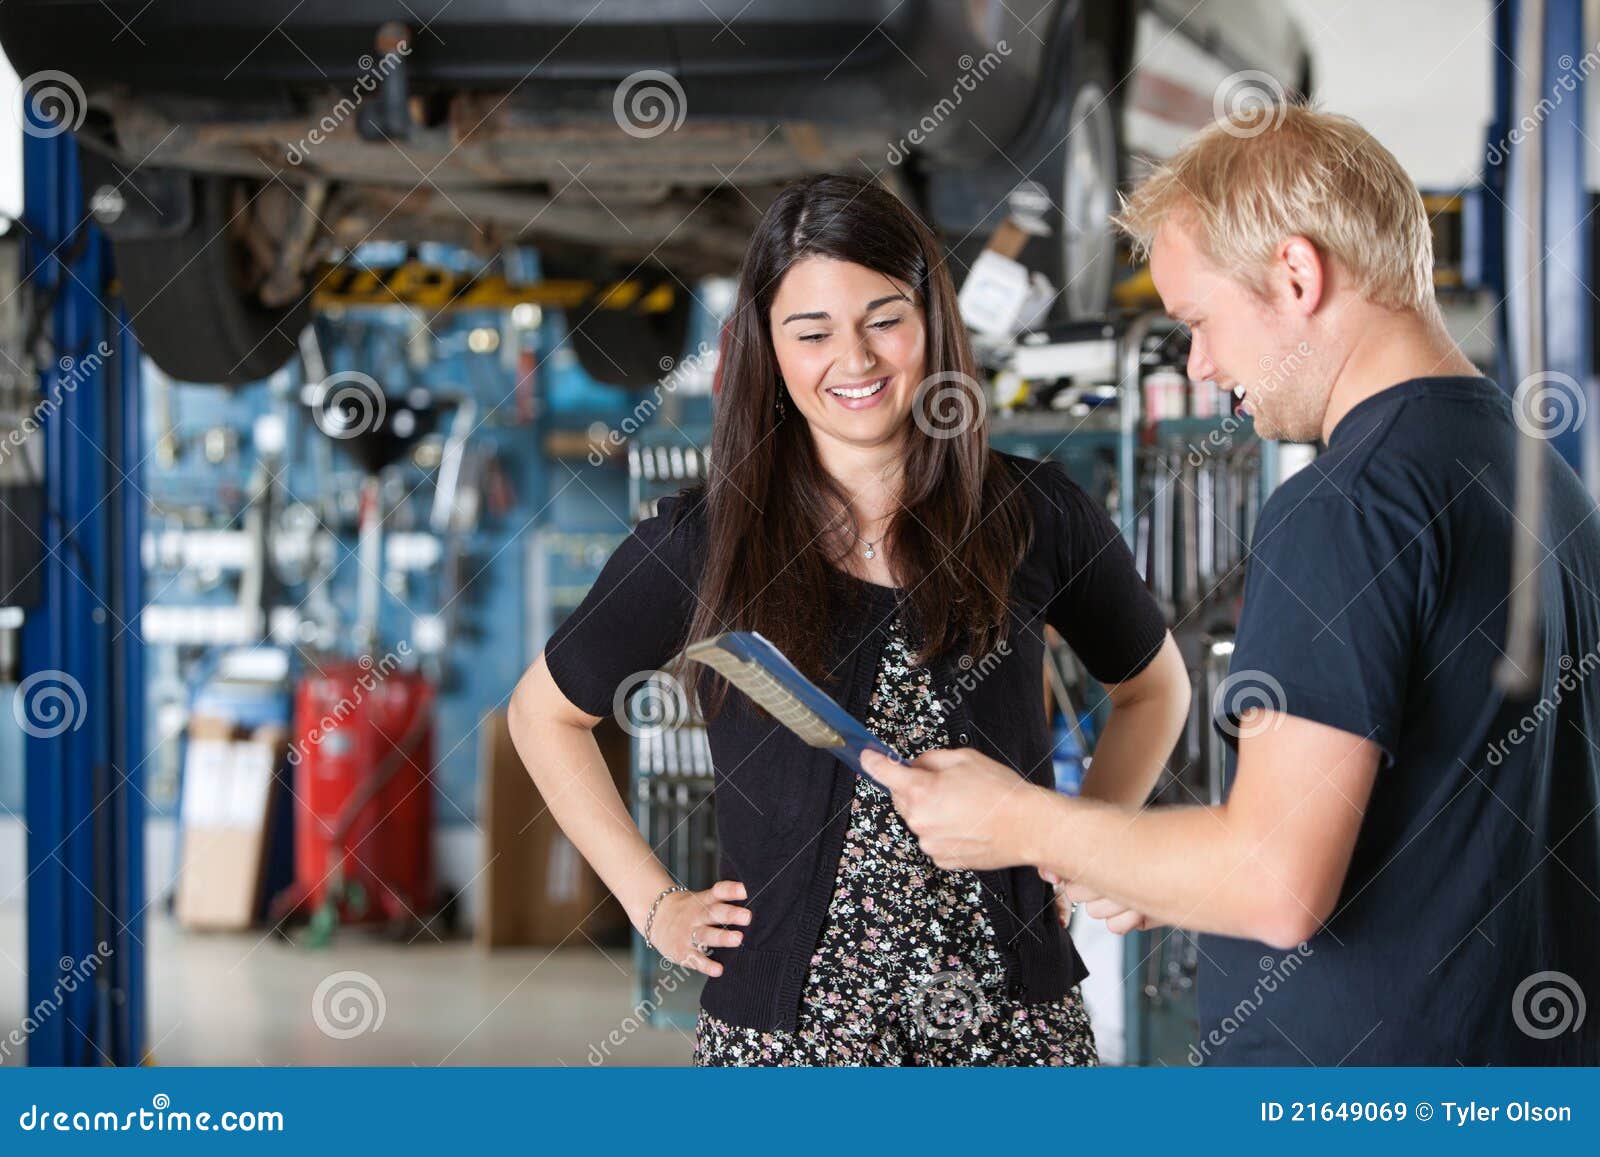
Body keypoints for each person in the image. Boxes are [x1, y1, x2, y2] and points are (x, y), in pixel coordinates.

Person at [866, 104, 1600, 1065]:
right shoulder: (1535, 471)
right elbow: (1433, 817)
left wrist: (1015, 819)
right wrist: (1145, 862)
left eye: (1200, 321)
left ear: (1296, 276)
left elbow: (1275, 884)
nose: (1204, 366)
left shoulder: (1348, 503)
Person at [508, 172, 1190, 1066]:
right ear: (769, 349)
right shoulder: (705, 539)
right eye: (813, 331)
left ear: (932, 321)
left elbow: (1154, 687)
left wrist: (1087, 847)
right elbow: (544, 713)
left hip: (1014, 1029)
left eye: (883, 318)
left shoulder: (1034, 512)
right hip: (790, 1041)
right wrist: (654, 904)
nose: (856, 360)